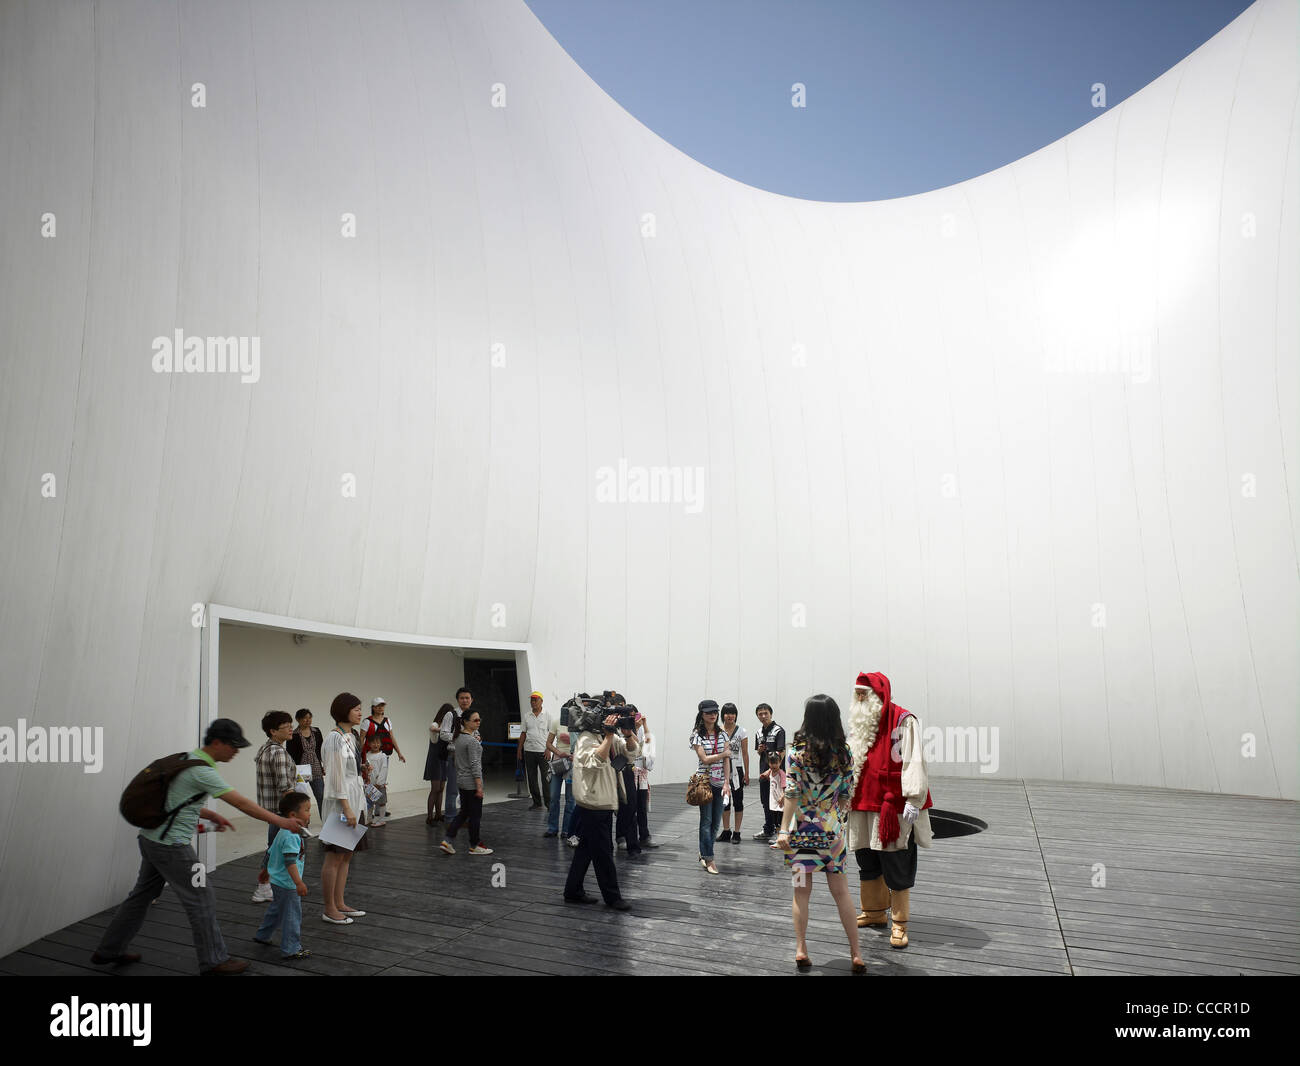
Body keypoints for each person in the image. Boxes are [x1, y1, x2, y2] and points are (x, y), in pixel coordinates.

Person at [91, 718, 305, 975]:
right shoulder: (203, 770)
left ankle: (109, 949)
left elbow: (177, 799)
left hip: (151, 839)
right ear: (217, 742)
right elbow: (243, 804)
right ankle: (214, 960)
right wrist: (282, 820)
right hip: (172, 847)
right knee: (202, 896)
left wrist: (208, 814)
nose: (236, 751)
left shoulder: (187, 758)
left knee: (141, 896)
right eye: (233, 745)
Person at [776, 694, 864, 973]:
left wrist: (782, 830)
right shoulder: (844, 751)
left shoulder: (796, 752)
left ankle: (801, 948)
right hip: (832, 834)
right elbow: (846, 794)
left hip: (803, 835)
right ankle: (856, 954)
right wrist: (834, 816)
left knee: (801, 892)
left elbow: (791, 793)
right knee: (842, 893)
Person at [846, 671, 933, 949]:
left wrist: (913, 799)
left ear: (879, 694)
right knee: (867, 859)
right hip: (862, 804)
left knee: (897, 863)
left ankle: (899, 923)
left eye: (864, 694)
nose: (859, 698)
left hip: (892, 808)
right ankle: (873, 913)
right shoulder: (860, 722)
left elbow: (913, 761)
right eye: (856, 693)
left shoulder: (902, 721)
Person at [563, 704, 637, 910]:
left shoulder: (608, 736)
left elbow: (632, 753)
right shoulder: (587, 737)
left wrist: (628, 734)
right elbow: (595, 760)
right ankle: (613, 898)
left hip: (603, 801)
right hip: (594, 803)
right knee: (604, 852)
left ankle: (573, 890)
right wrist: (608, 737)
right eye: (611, 717)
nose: (614, 720)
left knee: (586, 849)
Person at [320, 692, 369, 925]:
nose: (360, 712)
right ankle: (329, 908)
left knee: (346, 855)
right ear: (344, 711)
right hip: (343, 803)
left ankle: (340, 902)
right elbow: (336, 778)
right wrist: (347, 808)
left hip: (355, 800)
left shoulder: (351, 736)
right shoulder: (334, 739)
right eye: (356, 709)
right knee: (334, 857)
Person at [253, 792, 313, 960]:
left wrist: (265, 870)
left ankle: (263, 935)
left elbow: (271, 851)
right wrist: (298, 883)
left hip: (277, 881)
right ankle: (291, 948)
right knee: (292, 915)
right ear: (293, 815)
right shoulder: (292, 835)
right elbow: (290, 862)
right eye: (307, 810)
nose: (310, 813)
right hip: (288, 884)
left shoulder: (283, 830)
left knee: (277, 909)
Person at [252, 710, 298, 902]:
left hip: (270, 810)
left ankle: (267, 885)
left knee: (274, 847)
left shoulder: (265, 748)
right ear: (272, 731)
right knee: (275, 849)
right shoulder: (278, 752)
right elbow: (285, 787)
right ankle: (263, 886)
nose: (290, 729)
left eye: (290, 724)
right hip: (281, 811)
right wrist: (296, 813)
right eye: (285, 726)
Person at [440, 710, 493, 855]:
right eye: (475, 720)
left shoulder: (458, 738)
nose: (478, 722)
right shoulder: (471, 741)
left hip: (462, 780)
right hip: (471, 782)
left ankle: (448, 840)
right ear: (465, 722)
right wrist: (479, 787)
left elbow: (458, 761)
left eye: (479, 719)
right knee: (475, 815)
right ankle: (474, 845)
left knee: (464, 812)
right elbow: (475, 765)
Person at [690, 699, 731, 875]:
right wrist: (723, 753)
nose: (713, 715)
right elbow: (704, 759)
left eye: (715, 712)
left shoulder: (723, 734)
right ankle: (709, 858)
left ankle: (704, 851)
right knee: (706, 822)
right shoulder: (696, 735)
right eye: (708, 713)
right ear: (702, 714)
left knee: (716, 823)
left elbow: (727, 761)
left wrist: (728, 782)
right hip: (704, 782)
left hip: (720, 782)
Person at [543, 697, 577, 843]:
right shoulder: (557, 722)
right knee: (554, 797)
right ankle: (552, 828)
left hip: (573, 763)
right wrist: (559, 752)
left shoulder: (578, 724)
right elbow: (548, 743)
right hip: (558, 761)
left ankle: (566, 830)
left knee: (571, 799)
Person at [717, 703, 749, 844]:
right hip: (722, 770)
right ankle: (726, 830)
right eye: (727, 713)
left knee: (738, 801)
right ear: (722, 715)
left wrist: (747, 773)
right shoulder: (718, 731)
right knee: (725, 802)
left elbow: (745, 753)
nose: (730, 716)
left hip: (737, 770)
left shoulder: (742, 731)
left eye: (733, 713)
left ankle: (737, 832)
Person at [753, 703, 786, 840]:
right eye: (760, 714)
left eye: (765, 713)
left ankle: (782, 832)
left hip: (777, 774)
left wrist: (772, 770)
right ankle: (768, 829)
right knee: (765, 801)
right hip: (763, 773)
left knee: (779, 802)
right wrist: (760, 750)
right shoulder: (758, 732)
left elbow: (782, 751)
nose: (763, 716)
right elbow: (759, 752)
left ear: (771, 714)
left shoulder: (779, 730)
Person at [286, 708, 325, 818]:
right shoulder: (293, 735)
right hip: (301, 769)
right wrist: (292, 771)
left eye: (309, 717)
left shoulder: (316, 731)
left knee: (321, 795)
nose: (307, 720)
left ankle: (326, 822)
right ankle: (303, 823)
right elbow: (290, 754)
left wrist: (323, 765)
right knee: (302, 798)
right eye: (304, 718)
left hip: (316, 767)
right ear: (298, 720)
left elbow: (321, 749)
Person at [441, 688, 473, 820]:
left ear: (471, 700)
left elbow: (475, 733)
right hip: (454, 754)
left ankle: (464, 815)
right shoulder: (451, 714)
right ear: (457, 699)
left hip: (470, 755)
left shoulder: (473, 715)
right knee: (453, 788)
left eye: (467, 698)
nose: (465, 700)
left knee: (468, 787)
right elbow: (443, 734)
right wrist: (459, 737)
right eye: (462, 698)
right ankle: (450, 815)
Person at [517, 691, 550, 810]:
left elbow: (551, 734)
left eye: (535, 700)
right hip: (529, 750)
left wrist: (548, 749)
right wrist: (519, 749)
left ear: (541, 701)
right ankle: (536, 802)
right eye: (532, 700)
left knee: (546, 778)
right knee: (531, 777)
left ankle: (549, 803)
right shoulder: (527, 716)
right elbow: (523, 733)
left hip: (543, 751)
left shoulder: (547, 715)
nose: (533, 702)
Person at [424, 703, 455, 825]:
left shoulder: (448, 728)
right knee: (435, 788)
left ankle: (438, 814)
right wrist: (446, 731)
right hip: (434, 759)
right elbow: (432, 728)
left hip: (443, 759)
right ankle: (429, 817)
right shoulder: (436, 724)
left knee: (441, 789)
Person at [761, 750, 787, 849]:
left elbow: (785, 787)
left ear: (780, 763)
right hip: (774, 801)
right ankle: (778, 836)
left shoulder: (781, 773)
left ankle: (781, 837)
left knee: (780, 820)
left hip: (780, 801)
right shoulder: (771, 772)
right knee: (775, 821)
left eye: (776, 763)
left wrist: (783, 797)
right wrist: (764, 775)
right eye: (772, 763)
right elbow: (768, 777)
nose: (774, 765)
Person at [365, 734, 390, 825]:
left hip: (379, 785)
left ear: (381, 744)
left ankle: (381, 819)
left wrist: (379, 783)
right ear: (369, 744)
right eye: (373, 742)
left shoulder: (382, 756)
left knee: (381, 802)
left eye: (378, 742)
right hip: (370, 784)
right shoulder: (367, 755)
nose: (375, 744)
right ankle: (369, 818)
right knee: (370, 802)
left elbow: (384, 769)